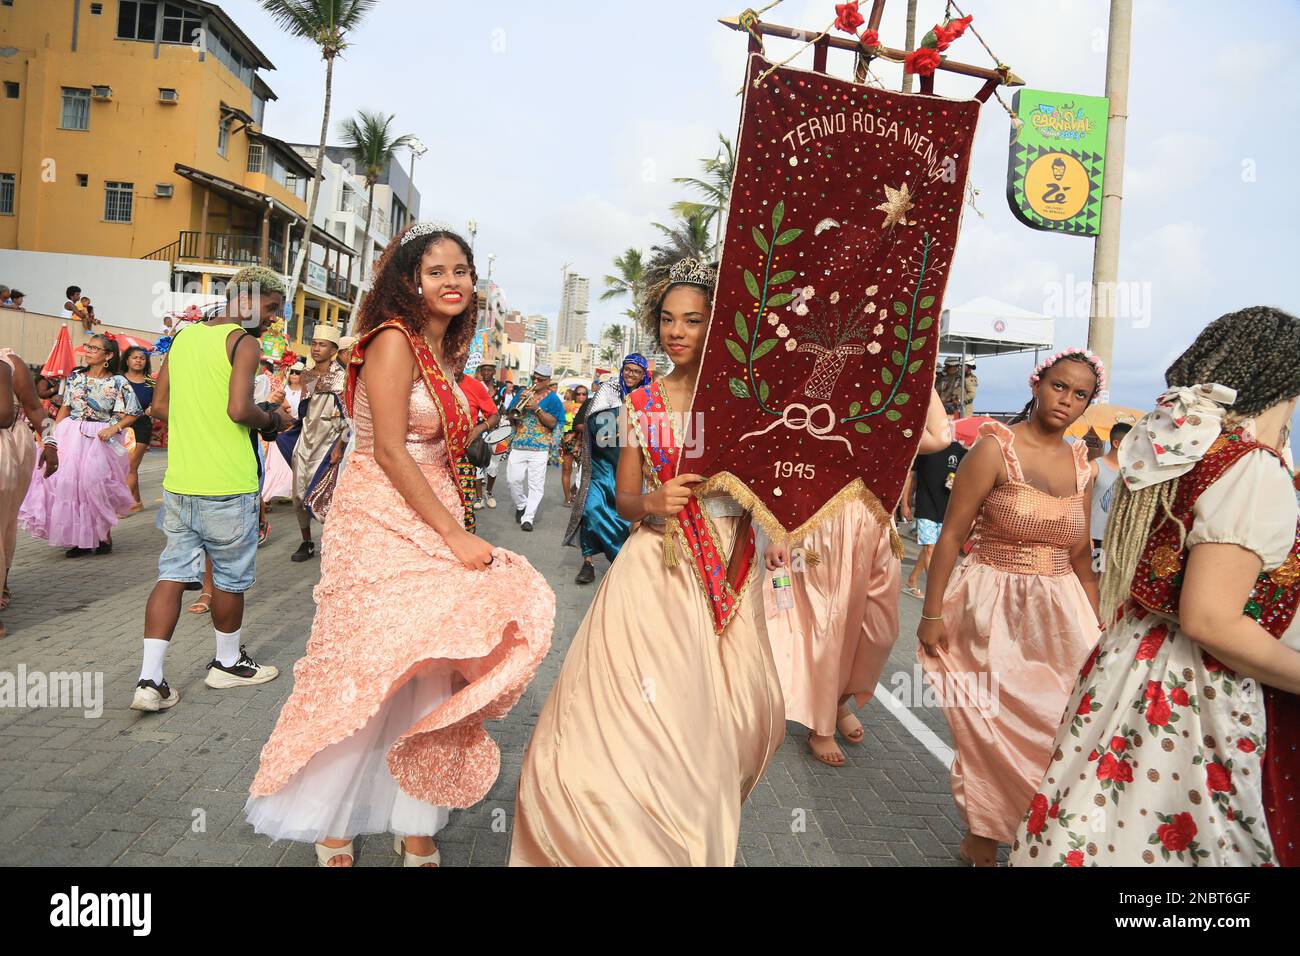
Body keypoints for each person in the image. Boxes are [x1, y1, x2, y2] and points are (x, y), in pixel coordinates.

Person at [245, 223, 553, 867]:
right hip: (380, 515)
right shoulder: (392, 341)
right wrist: (453, 532)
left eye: (461, 271)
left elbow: (447, 448)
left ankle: (415, 818)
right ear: (410, 281)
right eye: (436, 271)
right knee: (372, 670)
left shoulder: (446, 357)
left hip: (433, 502)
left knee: (432, 659)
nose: (451, 282)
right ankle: (332, 821)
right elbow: (388, 448)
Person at [511, 257, 783, 866]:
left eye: (691, 320)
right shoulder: (641, 404)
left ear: (718, 325)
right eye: (666, 320)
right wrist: (653, 502)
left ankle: (689, 821)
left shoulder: (748, 404)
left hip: (728, 575)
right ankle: (623, 834)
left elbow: (772, 491)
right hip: (654, 571)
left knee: (732, 717)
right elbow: (626, 497)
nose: (676, 332)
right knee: (638, 710)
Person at [1011, 307, 1300, 867]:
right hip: (1197, 687)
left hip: (1136, 660)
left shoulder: (1185, 454)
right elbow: (1211, 619)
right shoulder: (1252, 467)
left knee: (1108, 828)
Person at [918, 347, 1105, 866]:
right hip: (991, 608)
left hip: (1063, 613)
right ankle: (984, 830)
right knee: (994, 725)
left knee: (1061, 725)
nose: (1066, 400)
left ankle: (1035, 826)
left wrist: (1098, 625)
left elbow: (1080, 556)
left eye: (1080, 394)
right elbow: (952, 535)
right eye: (1059, 386)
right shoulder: (994, 450)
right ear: (1037, 384)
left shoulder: (1082, 465)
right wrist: (931, 613)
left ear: (1089, 404)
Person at [127, 266, 293, 713]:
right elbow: (240, 410)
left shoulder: (183, 338)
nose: (274, 318)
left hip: (180, 480)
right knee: (228, 577)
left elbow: (159, 406)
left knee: (173, 574)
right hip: (228, 481)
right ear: (247, 298)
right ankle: (227, 664)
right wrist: (273, 420)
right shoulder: (243, 342)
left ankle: (150, 680)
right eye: (272, 308)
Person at [763, 388, 955, 768]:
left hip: (877, 532)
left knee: (881, 630)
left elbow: (941, 437)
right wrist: (778, 533)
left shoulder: (891, 417)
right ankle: (821, 725)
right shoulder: (817, 409)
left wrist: (922, 367)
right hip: (822, 529)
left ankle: (835, 702)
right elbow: (789, 468)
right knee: (829, 627)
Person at [18, 333, 140, 556]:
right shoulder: (76, 377)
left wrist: (113, 428)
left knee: (95, 485)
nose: (89, 351)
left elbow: (133, 412)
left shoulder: (118, 381)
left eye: (95, 348)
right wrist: (51, 437)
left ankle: (103, 534)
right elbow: (65, 407)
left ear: (108, 355)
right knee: (72, 488)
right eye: (88, 347)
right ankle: (79, 539)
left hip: (101, 437)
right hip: (71, 433)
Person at [563, 356, 645, 584]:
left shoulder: (648, 394)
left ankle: (619, 559)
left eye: (636, 372)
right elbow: (593, 421)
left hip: (629, 465)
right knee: (591, 510)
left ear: (643, 375)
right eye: (627, 370)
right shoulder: (609, 388)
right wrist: (624, 421)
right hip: (601, 465)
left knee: (624, 516)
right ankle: (587, 563)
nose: (630, 375)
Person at [0, 349, 58, 636]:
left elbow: (33, 409)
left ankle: (3, 582)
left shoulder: (9, 362)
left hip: (9, 446)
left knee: (5, 523)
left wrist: (50, 443)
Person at [289, 326, 347, 562]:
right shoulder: (308, 375)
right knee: (298, 495)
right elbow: (303, 411)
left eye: (322, 344)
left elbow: (348, 417)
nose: (315, 348)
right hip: (306, 442)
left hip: (330, 443)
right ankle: (307, 541)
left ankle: (332, 543)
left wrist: (340, 446)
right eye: (313, 343)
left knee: (328, 498)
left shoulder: (342, 378)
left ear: (334, 350)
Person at [902, 422, 967, 600]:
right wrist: (905, 504)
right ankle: (935, 593)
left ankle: (911, 580)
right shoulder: (926, 449)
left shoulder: (959, 451)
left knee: (931, 548)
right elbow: (912, 477)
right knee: (930, 548)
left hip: (946, 509)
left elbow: (968, 476)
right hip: (925, 506)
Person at [506, 364, 565, 532]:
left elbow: (554, 422)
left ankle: (528, 518)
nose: (536, 381)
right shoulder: (522, 392)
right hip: (519, 444)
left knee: (536, 485)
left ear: (548, 381)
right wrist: (519, 402)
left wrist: (537, 409)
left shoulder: (553, 399)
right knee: (513, 480)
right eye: (534, 378)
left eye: (540, 380)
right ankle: (521, 504)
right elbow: (511, 414)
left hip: (540, 447)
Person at [458, 364, 498, 520]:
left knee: (464, 510)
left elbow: (495, 415)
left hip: (465, 455)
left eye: (461, 359)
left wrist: (480, 428)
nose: (456, 362)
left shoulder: (475, 386)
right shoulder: (430, 378)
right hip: (432, 457)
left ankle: (485, 494)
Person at [120, 346, 155, 514]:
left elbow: (159, 403)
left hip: (141, 426)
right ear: (127, 360)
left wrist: (152, 408)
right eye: (135, 357)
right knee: (121, 466)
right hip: (118, 426)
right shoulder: (117, 379)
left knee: (129, 466)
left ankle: (122, 505)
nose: (139, 360)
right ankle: (136, 502)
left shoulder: (151, 382)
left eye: (142, 358)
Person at [1090, 420, 1132, 549]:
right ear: (1116, 443)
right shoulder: (1094, 467)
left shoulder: (1132, 472)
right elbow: (1079, 503)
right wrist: (1086, 536)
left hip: (1118, 540)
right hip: (1094, 537)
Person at [472, 359, 505, 508]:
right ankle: (479, 498)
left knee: (493, 465)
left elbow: (503, 407)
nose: (486, 373)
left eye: (489, 370)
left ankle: (489, 492)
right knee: (478, 462)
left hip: (498, 430)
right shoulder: (476, 387)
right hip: (480, 429)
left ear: (493, 371)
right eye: (483, 370)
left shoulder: (502, 388)